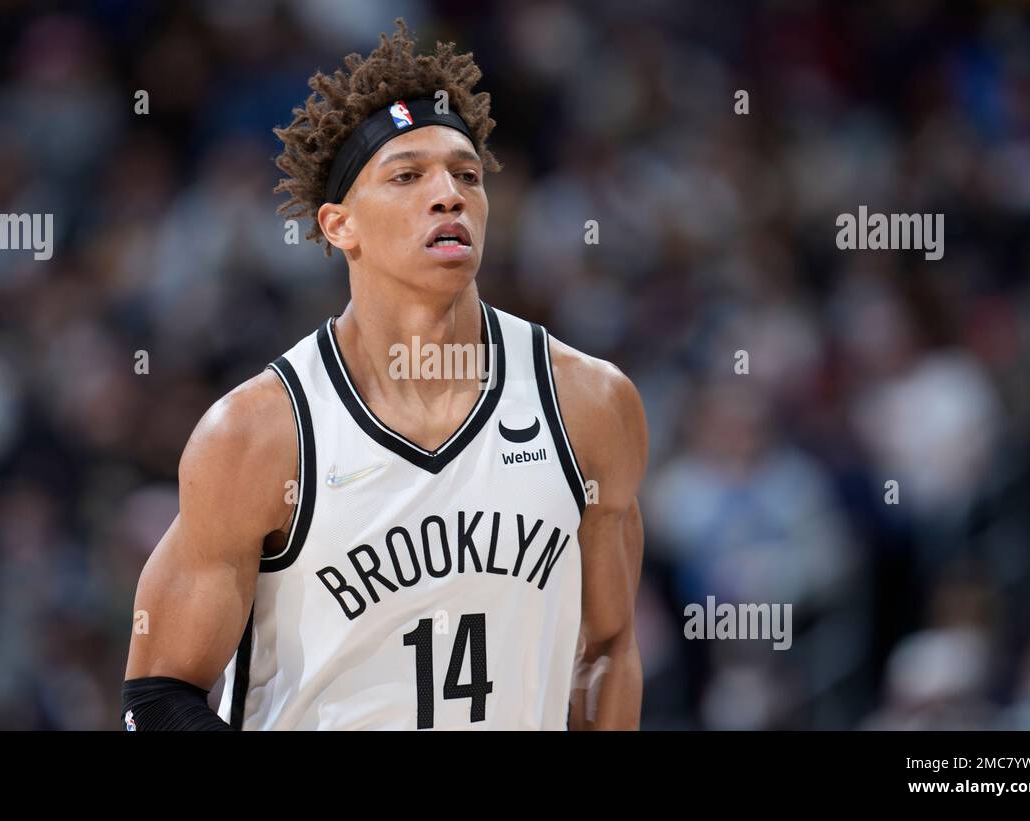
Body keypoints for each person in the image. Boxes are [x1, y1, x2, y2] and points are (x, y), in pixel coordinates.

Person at [121, 18, 647, 730]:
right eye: (407, 176)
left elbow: (608, 645)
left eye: (466, 174)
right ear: (340, 226)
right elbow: (157, 695)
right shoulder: (259, 433)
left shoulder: (589, 403)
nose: (449, 194)